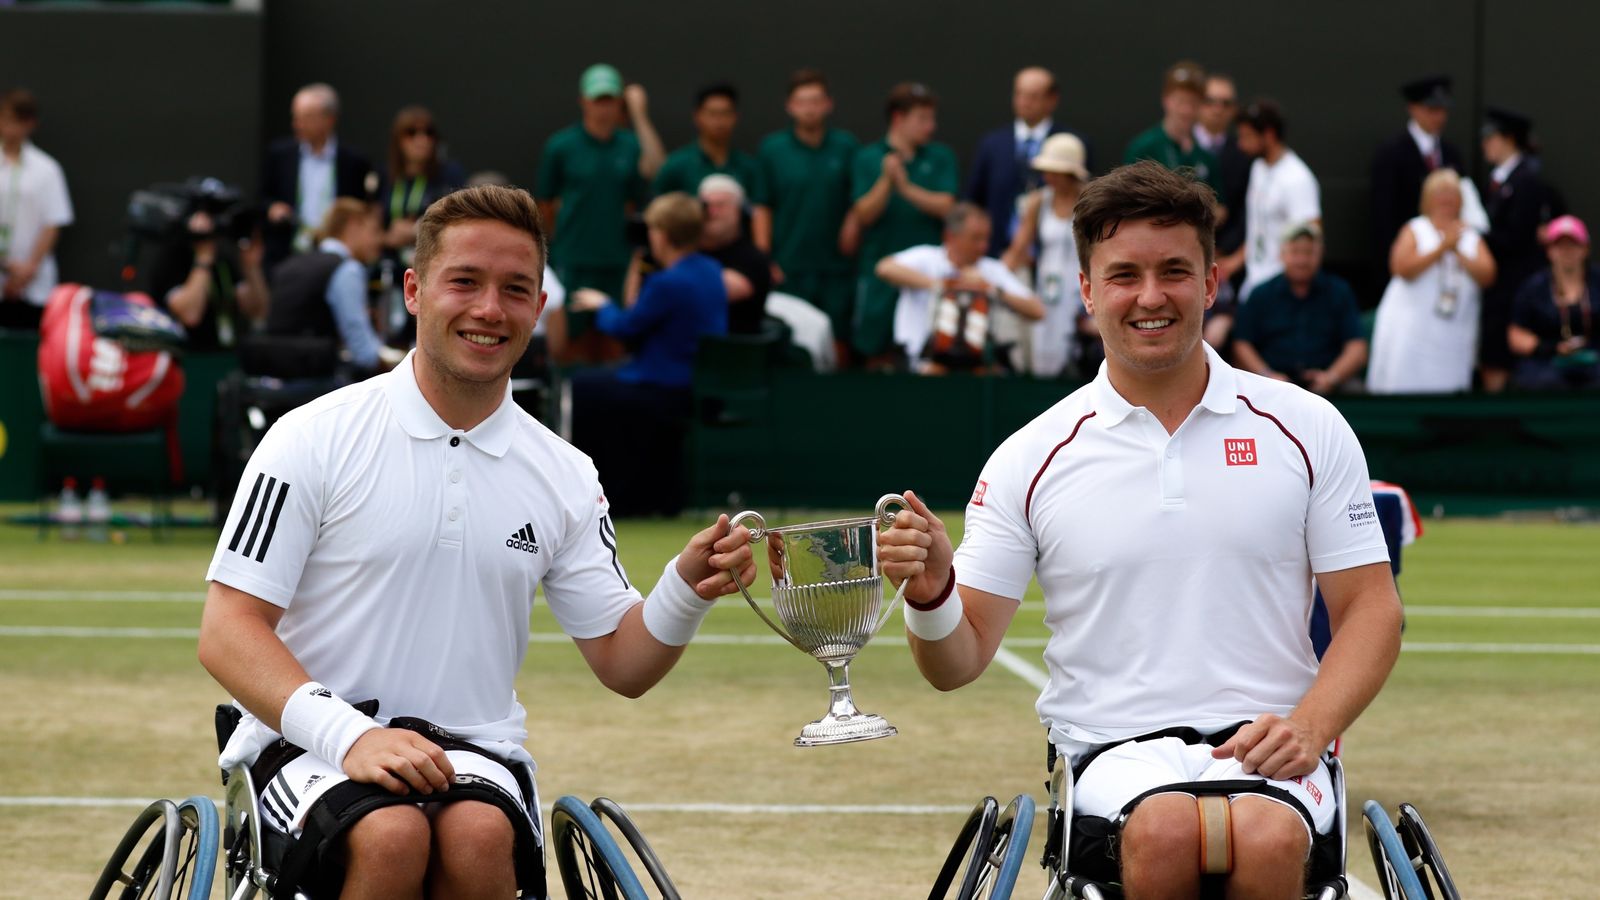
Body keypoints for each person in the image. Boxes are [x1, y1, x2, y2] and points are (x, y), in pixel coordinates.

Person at [199, 184, 754, 899]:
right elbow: (226, 631)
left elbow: (624, 661)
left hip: (475, 753)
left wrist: (684, 588)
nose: (490, 310)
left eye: (515, 289)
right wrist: (351, 736)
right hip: (308, 745)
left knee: (477, 835)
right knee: (391, 835)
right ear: (414, 291)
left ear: (539, 310)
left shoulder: (565, 473)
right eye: (464, 281)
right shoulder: (310, 437)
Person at [880, 160, 1402, 900]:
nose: (1151, 297)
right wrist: (931, 593)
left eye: (1175, 272)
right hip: (1109, 751)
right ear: (1088, 290)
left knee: (1265, 835)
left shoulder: (1308, 425)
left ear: (1213, 282)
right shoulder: (1031, 454)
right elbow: (955, 661)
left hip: (1274, 743)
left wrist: (1311, 728)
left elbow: (1373, 609)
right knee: (1161, 833)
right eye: (1124, 274)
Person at [567, 192, 727, 515]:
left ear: (663, 235)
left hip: (663, 387)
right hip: (693, 384)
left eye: (653, 229)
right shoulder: (711, 269)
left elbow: (626, 326)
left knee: (582, 387)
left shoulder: (668, 283)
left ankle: (605, 499)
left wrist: (601, 305)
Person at [535, 63, 665, 303]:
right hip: (574, 258)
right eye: (597, 100)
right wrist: (560, 240)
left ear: (619, 103)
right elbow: (545, 202)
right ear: (583, 101)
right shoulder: (561, 146)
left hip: (618, 257)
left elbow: (657, 171)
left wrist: (639, 113)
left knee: (616, 332)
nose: (603, 108)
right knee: (572, 333)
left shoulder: (631, 144)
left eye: (610, 100)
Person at [851, 82, 960, 366]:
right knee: (875, 351)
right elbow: (863, 215)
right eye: (922, 119)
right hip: (880, 273)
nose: (931, 126)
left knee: (925, 355)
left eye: (932, 118)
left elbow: (948, 207)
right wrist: (886, 180)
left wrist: (906, 187)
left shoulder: (940, 157)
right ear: (898, 119)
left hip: (927, 276)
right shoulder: (868, 158)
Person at [757, 69, 859, 355]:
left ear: (828, 104)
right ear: (790, 106)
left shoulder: (846, 146)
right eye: (802, 101)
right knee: (795, 342)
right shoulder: (772, 149)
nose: (810, 109)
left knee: (838, 344)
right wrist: (764, 258)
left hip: (837, 269)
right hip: (790, 267)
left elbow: (858, 199)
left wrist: (852, 224)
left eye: (816, 101)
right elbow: (762, 206)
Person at [1368, 169, 1497, 394]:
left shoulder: (1470, 235)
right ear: (1428, 198)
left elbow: (1488, 275)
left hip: (1453, 332)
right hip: (1411, 331)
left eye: (1452, 193)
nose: (1446, 199)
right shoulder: (1415, 228)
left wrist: (1457, 251)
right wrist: (1442, 248)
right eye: (1440, 193)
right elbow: (1401, 268)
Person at [873, 203, 1042, 372]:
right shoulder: (927, 257)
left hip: (975, 369)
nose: (983, 246)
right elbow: (884, 268)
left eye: (986, 238)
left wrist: (990, 289)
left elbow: (1037, 311)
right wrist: (943, 285)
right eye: (975, 238)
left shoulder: (991, 270)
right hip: (918, 365)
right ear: (950, 236)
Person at [258, 198, 395, 377]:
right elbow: (364, 353)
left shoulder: (293, 263)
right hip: (317, 382)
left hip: (276, 377)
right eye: (374, 231)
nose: (379, 240)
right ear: (353, 225)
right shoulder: (348, 269)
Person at [1479, 106, 1563, 393]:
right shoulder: (1501, 182)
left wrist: (1476, 234)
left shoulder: (1525, 182)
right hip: (1497, 289)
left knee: (1501, 359)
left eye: (1491, 137)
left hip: (1510, 289)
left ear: (1509, 139)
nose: (1485, 144)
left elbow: (1516, 238)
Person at [1232, 222, 1367, 394]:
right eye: (1295, 252)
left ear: (1321, 254)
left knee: (1356, 391)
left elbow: (1357, 347)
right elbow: (1241, 344)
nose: (1302, 260)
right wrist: (1267, 375)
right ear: (1282, 255)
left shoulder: (1339, 292)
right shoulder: (1260, 294)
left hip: (1328, 383)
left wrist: (1331, 377)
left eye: (1309, 252)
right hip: (1271, 383)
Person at [964, 67, 1084, 258]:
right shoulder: (992, 144)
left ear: (1052, 99)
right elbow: (975, 199)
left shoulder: (1072, 142)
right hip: (999, 252)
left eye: (1033, 96)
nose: (1024, 102)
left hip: (1056, 255)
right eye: (1019, 94)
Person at [1001, 133, 1094, 378]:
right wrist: (995, 276)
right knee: (1041, 344)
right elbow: (1019, 247)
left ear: (1069, 173)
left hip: (1084, 287)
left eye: (1053, 170)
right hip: (1047, 287)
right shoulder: (1037, 202)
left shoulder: (1092, 201)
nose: (1046, 176)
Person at [260, 83, 374, 268]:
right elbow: (263, 197)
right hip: (288, 253)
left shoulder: (354, 162)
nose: (297, 125)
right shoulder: (279, 155)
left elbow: (362, 208)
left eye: (306, 118)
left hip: (336, 255)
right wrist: (273, 208)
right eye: (295, 117)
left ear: (329, 119)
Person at [1219, 100, 1321, 302]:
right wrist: (1233, 263)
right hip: (1252, 286)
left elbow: (1311, 239)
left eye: (1247, 136)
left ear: (1269, 135)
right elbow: (1261, 231)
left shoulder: (1298, 178)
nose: (1240, 144)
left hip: (1282, 292)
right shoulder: (1258, 168)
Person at [1369, 76, 1474, 270]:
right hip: (1407, 257)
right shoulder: (1391, 153)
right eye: (1432, 110)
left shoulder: (1452, 153)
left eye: (1443, 110)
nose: (1439, 117)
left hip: (1449, 260)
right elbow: (1383, 213)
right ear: (1413, 108)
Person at [652, 83, 771, 247]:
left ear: (735, 117)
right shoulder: (676, 166)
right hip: (690, 255)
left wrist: (762, 259)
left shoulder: (748, 167)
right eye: (712, 114)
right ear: (697, 116)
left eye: (725, 113)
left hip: (739, 257)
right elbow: (657, 216)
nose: (719, 121)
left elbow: (760, 212)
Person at [148, 203, 271, 352]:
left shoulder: (223, 258)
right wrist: (203, 260)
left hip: (224, 357)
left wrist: (251, 266)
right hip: (186, 358)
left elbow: (258, 311)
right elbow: (190, 316)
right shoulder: (171, 258)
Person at [0, 89, 73, 330]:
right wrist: (6, 265)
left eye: (13, 120)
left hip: (34, 285)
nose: (6, 126)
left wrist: (26, 270)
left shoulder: (47, 169)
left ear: (29, 124)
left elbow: (54, 222)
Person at [1508, 215, 1600, 389]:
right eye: (1560, 245)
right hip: (1547, 363)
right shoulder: (1533, 287)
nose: (1567, 251)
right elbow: (1516, 335)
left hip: (1594, 360)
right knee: (1542, 380)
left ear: (1585, 249)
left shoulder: (1597, 280)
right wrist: (1550, 348)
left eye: (1573, 244)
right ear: (1549, 250)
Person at [1122, 61, 1224, 201]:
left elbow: (1220, 208)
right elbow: (1126, 199)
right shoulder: (1143, 148)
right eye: (1180, 101)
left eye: (1193, 102)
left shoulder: (1206, 156)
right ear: (1166, 100)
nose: (1186, 110)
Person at [378, 106, 467, 265]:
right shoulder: (384, 176)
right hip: (390, 264)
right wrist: (387, 237)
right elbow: (368, 224)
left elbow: (458, 220)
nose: (422, 140)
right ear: (398, 139)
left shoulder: (450, 174)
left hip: (433, 260)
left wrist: (415, 231)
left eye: (429, 133)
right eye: (411, 133)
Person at [698, 174, 772, 335]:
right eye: (706, 206)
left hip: (732, 349)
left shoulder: (753, 258)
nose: (712, 212)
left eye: (721, 205)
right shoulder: (689, 251)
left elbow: (709, 291)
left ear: (740, 211)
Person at [1195, 74, 1250, 266]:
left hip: (1227, 259)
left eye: (1225, 103)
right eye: (1210, 101)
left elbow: (1245, 211)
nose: (1217, 109)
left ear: (1234, 110)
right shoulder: (1180, 147)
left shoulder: (1244, 154)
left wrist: (1223, 250)